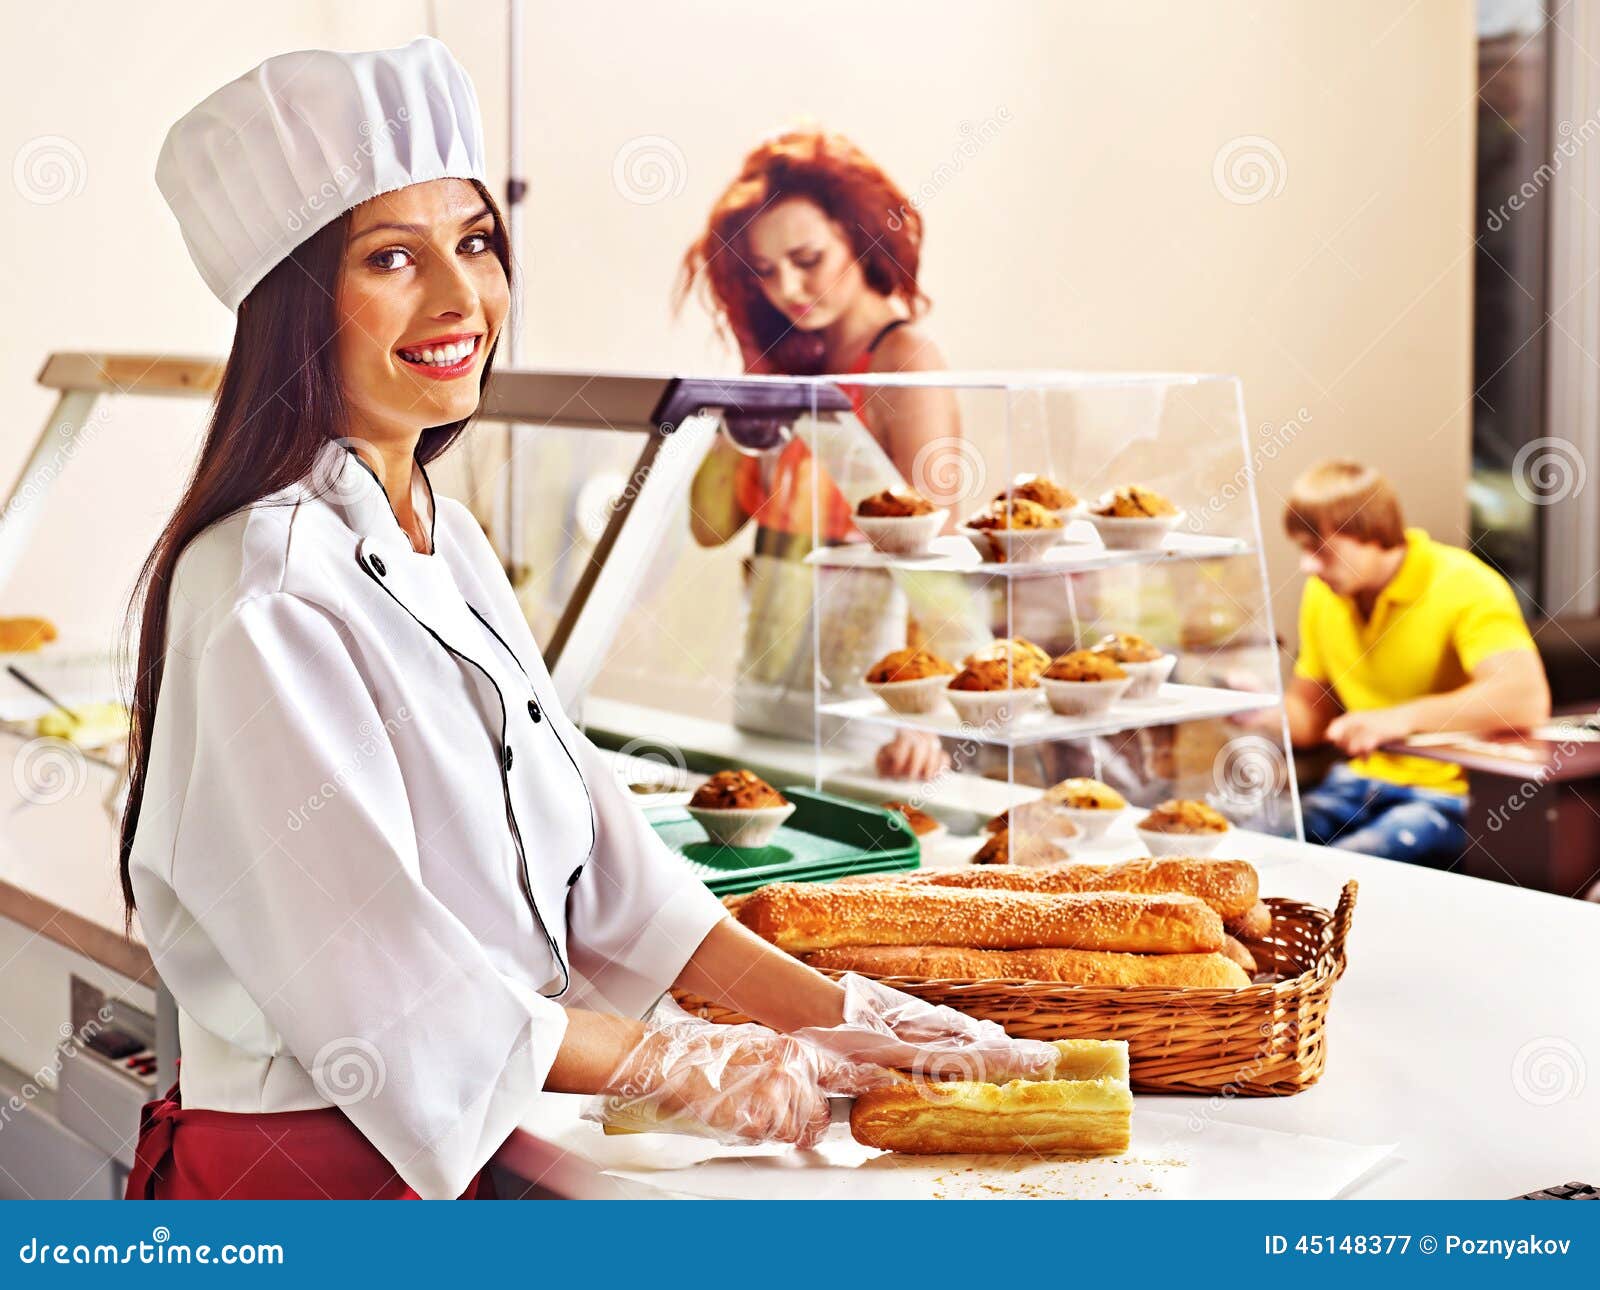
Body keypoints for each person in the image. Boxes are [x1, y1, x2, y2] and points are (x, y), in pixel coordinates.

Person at [120, 37, 1057, 1201]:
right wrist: (684, 1059)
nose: (461, 297)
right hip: (311, 1173)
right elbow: (378, 979)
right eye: (391, 259)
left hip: (472, 1150)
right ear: (296, 306)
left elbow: (606, 863)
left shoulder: (442, 538)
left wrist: (852, 1014)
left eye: (474, 242)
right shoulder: (261, 585)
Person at [678, 128, 963, 781]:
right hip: (767, 693)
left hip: (875, 710)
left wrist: (921, 718)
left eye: (808, 258)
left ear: (859, 234)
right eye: (767, 271)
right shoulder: (785, 371)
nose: (788, 287)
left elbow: (933, 556)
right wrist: (750, 376)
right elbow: (709, 525)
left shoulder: (903, 362)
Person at [1266, 459, 1550, 866]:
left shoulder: (1466, 584)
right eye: (1303, 549)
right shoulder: (1322, 594)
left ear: (1370, 534)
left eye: (1320, 549)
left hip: (1449, 795)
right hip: (1358, 782)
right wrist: (1258, 707)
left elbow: (1523, 697)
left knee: (1341, 870)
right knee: (1254, 845)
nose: (1308, 566)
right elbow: (1309, 720)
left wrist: (1397, 718)